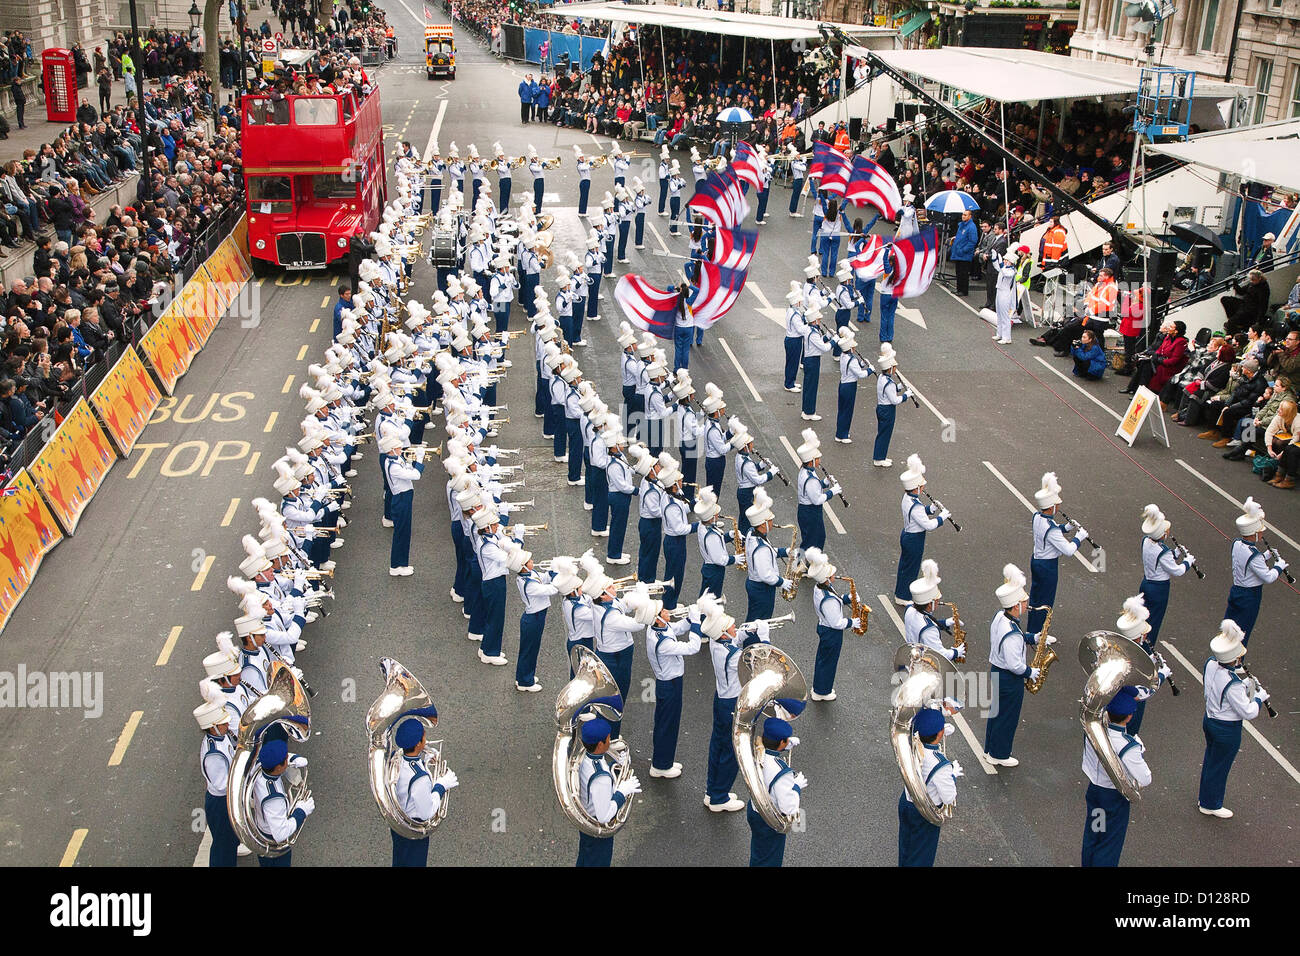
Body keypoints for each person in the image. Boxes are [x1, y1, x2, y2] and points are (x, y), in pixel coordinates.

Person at [1198, 620, 1269, 819]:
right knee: (1220, 766)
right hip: (1227, 729)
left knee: (1211, 761)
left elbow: (1227, 678)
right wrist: (1258, 697)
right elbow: (1248, 712)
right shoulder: (1233, 684)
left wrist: (1247, 683)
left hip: (1210, 719)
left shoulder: (1211, 664)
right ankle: (1210, 803)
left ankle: (1205, 797)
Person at [1080, 688, 1150, 867]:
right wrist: (1139, 748)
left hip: (1094, 790)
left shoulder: (1092, 731)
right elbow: (1144, 778)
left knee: (1094, 835)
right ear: (1129, 717)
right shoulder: (1128, 745)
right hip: (1113, 797)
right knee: (1109, 843)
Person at [983, 564, 1040, 768]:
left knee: (996, 713)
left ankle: (990, 749)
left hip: (998, 672)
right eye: (1024, 602)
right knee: (1007, 717)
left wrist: (1033, 637)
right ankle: (999, 754)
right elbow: (1015, 664)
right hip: (1009, 678)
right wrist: (1030, 672)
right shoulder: (1012, 635)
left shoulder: (1001, 617)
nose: (1027, 604)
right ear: (1015, 605)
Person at [389, 715, 458, 866]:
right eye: (424, 737)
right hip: (413, 828)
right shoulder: (420, 779)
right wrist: (441, 785)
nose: (425, 739)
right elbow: (426, 812)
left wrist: (424, 760)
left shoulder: (396, 757)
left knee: (400, 860)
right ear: (419, 743)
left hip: (399, 822)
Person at [645, 603, 703, 778]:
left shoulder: (658, 627)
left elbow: (676, 628)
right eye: (662, 611)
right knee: (667, 725)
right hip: (668, 684)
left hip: (671, 682)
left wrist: (689, 618)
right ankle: (660, 766)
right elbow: (693, 647)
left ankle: (664, 761)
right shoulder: (661, 643)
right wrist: (695, 623)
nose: (667, 611)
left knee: (668, 724)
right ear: (657, 618)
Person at [575, 712, 641, 866]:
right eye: (608, 739)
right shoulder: (602, 779)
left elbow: (598, 771)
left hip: (586, 822)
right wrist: (621, 793)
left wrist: (616, 767)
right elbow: (604, 815)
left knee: (585, 857)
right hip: (598, 828)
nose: (610, 741)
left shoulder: (586, 756)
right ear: (600, 745)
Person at [898, 707, 958, 866]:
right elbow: (949, 797)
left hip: (906, 801)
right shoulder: (941, 764)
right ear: (939, 733)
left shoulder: (909, 744)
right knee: (922, 857)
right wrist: (953, 775)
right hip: (925, 812)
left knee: (907, 848)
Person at [1222, 497, 1287, 643]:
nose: (1262, 533)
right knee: (1242, 632)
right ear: (1254, 533)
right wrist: (1279, 566)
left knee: (1230, 630)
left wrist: (1266, 555)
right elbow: (1268, 577)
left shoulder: (1237, 543)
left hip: (1237, 590)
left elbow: (1248, 564)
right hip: (1249, 596)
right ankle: (1237, 661)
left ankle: (1225, 657)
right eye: (1260, 531)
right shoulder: (1254, 554)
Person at [746, 714, 806, 867]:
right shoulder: (782, 773)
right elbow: (788, 808)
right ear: (780, 742)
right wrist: (797, 787)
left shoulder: (755, 750)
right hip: (770, 819)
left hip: (755, 809)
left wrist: (786, 744)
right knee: (770, 860)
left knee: (759, 852)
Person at [249, 738, 314, 867]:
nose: (287, 759)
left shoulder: (259, 767)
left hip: (261, 828)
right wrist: (301, 811)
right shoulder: (274, 799)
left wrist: (293, 758)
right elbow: (281, 833)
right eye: (285, 759)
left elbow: (274, 759)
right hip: (272, 840)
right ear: (278, 767)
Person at [895, 455, 949, 604]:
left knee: (905, 566)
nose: (923, 487)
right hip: (914, 539)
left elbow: (917, 515)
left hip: (907, 534)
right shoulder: (916, 505)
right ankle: (903, 597)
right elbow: (928, 525)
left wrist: (931, 509)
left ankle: (900, 593)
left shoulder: (908, 499)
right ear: (916, 488)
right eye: (921, 486)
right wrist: (942, 517)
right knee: (911, 569)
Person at [194, 696, 241, 867]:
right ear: (213, 727)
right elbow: (222, 785)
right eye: (223, 723)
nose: (227, 725)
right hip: (221, 802)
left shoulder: (222, 737)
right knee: (223, 848)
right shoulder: (214, 754)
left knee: (230, 841)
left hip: (226, 799)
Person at [806, 548, 858, 700]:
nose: (835, 575)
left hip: (825, 628)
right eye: (832, 575)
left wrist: (847, 598)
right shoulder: (828, 599)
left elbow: (835, 602)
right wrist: (852, 622)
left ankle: (820, 688)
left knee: (825, 660)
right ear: (827, 578)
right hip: (831, 632)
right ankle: (821, 692)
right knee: (828, 663)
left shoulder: (822, 588)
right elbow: (836, 622)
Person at [794, 429, 837, 551]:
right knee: (813, 542)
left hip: (807, 511)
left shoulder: (806, 471)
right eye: (817, 458)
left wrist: (825, 482)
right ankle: (800, 565)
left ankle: (805, 565)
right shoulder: (810, 477)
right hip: (811, 512)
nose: (819, 460)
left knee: (816, 539)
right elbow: (817, 499)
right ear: (811, 460)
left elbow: (813, 489)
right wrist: (832, 492)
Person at [1120, 320, 1188, 395]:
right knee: (1143, 362)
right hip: (1161, 360)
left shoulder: (1181, 342)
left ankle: (1139, 392)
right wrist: (1156, 356)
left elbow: (1174, 360)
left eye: (1171, 327)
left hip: (1169, 366)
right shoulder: (1168, 338)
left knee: (1147, 367)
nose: (1169, 328)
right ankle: (1131, 387)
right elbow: (1160, 349)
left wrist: (1160, 360)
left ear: (1176, 331)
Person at [873, 343, 910, 468]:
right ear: (889, 368)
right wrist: (905, 396)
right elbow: (894, 400)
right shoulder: (888, 382)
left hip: (883, 408)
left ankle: (881, 456)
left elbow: (890, 391)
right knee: (884, 434)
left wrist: (899, 387)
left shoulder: (882, 378)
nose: (895, 368)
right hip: (887, 410)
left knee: (884, 433)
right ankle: (878, 458)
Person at [833, 327, 873, 443]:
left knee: (843, 409)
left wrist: (861, 363)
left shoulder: (844, 356)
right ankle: (842, 435)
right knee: (847, 410)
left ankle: (841, 431)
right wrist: (870, 370)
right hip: (849, 386)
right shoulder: (851, 359)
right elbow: (860, 374)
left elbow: (852, 369)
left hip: (843, 384)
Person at [949, 210, 978, 296]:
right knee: (958, 272)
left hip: (964, 254)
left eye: (965, 215)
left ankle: (963, 290)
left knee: (963, 273)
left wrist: (963, 250)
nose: (963, 216)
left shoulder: (972, 227)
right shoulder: (961, 225)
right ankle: (959, 289)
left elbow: (973, 241)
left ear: (970, 216)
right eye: (963, 215)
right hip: (958, 253)